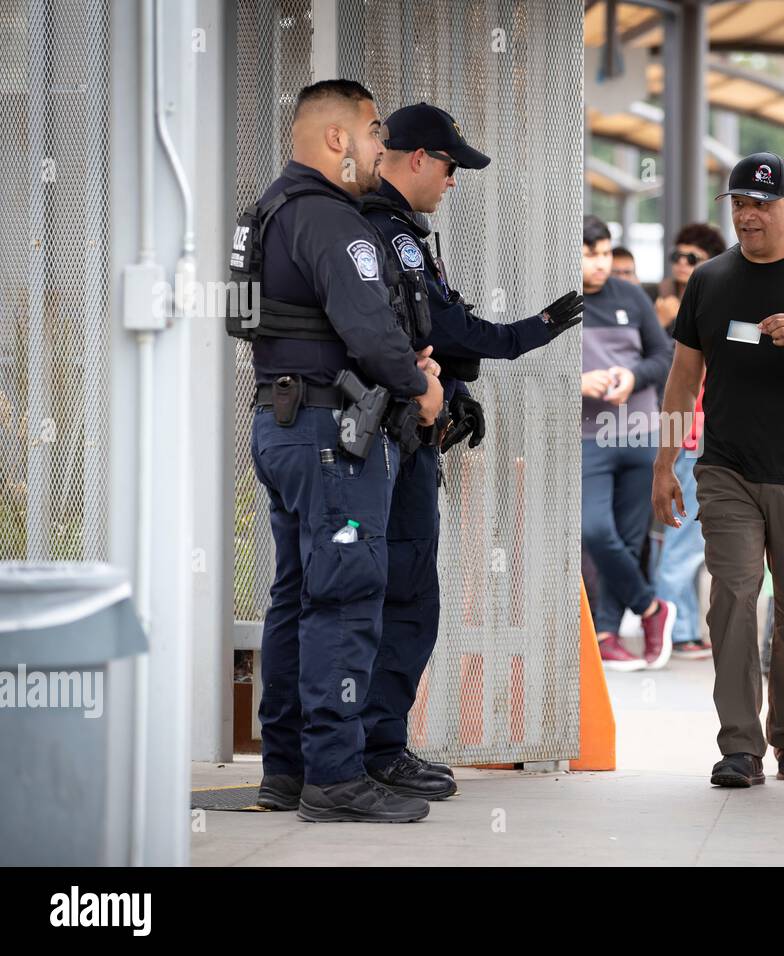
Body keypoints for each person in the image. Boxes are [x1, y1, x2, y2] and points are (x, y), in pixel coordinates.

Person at [353, 102, 582, 800]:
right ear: (419, 158)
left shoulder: (383, 229)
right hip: (390, 444)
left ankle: (362, 747)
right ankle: (377, 749)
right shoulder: (389, 235)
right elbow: (446, 327)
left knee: (377, 594)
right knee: (406, 597)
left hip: (393, 436)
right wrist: (532, 330)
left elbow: (425, 337)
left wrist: (453, 393)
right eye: (451, 168)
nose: (454, 182)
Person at [229, 80, 444, 823]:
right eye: (374, 132)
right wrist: (422, 388)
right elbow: (368, 329)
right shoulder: (328, 217)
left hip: (285, 427)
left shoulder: (269, 210)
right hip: (330, 439)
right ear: (335, 139)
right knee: (346, 598)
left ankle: (285, 771)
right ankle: (334, 778)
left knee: (298, 597)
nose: (381, 148)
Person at [651, 152, 784, 787]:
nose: (747, 216)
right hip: (726, 470)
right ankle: (740, 747)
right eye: (739, 204)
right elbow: (682, 378)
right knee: (734, 599)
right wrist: (667, 464)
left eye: (761, 206)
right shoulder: (711, 281)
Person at [580, 214, 676, 671]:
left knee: (630, 536)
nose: (599, 264)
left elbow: (664, 356)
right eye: (589, 254)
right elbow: (533, 367)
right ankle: (651, 609)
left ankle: (607, 633)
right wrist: (577, 380)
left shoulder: (633, 298)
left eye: (603, 253)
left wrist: (632, 375)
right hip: (587, 437)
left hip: (640, 434)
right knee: (595, 531)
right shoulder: (560, 304)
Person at [650, 222, 726, 658]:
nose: (681, 265)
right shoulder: (662, 308)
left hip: (705, 432)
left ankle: (679, 627)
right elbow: (668, 374)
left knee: (692, 538)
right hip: (686, 435)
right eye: (676, 257)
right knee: (682, 538)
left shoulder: (708, 302)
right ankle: (674, 630)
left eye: (691, 259)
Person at [654, 223, 727, 335]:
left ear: (713, 262)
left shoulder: (722, 300)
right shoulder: (655, 294)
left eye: (692, 258)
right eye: (677, 256)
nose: (682, 262)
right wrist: (660, 321)